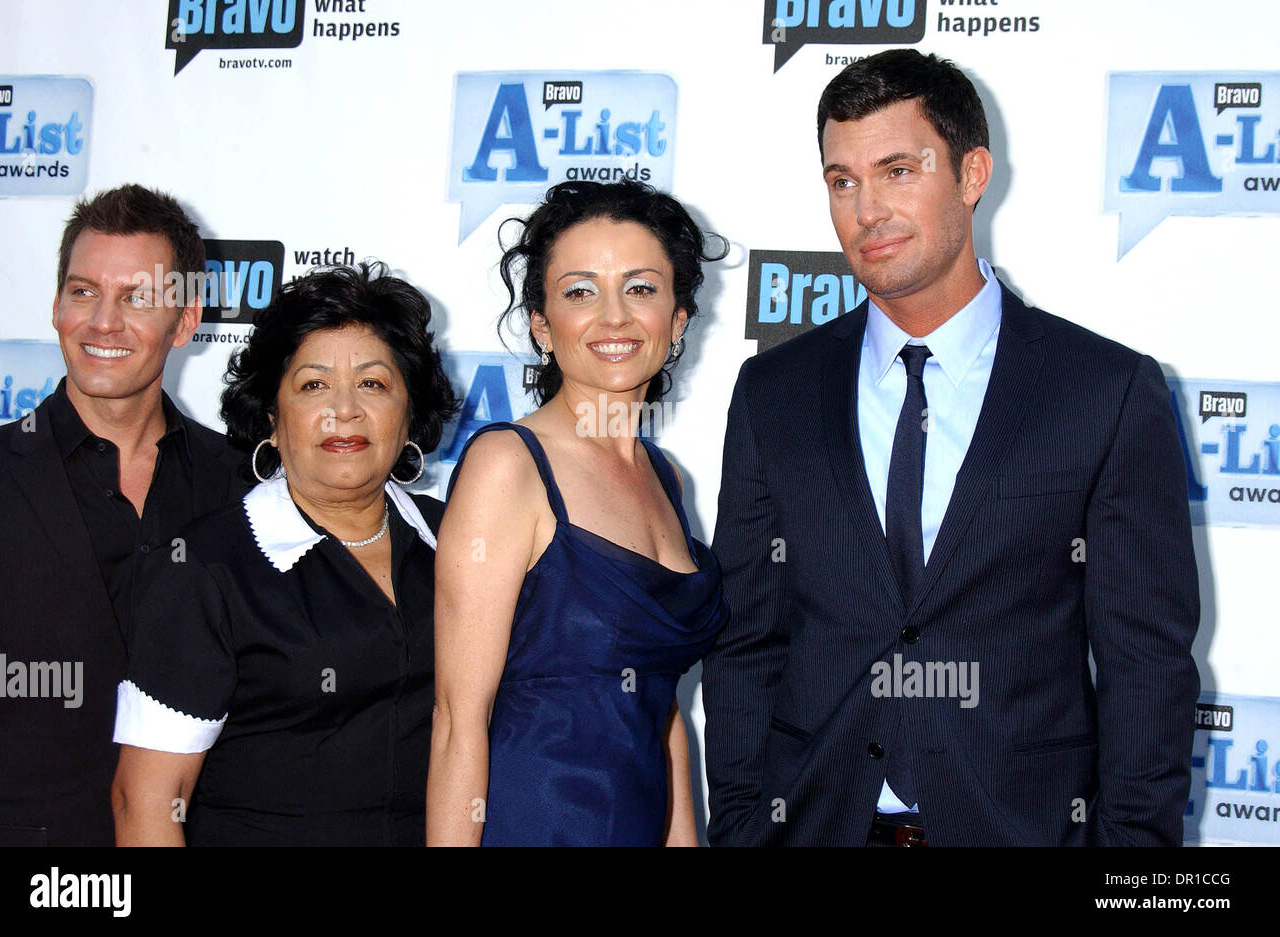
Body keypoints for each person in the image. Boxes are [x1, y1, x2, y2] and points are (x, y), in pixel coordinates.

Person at [703, 50, 1200, 846]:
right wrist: (738, 828)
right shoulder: (775, 392)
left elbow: (1147, 668)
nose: (867, 209)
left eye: (898, 170)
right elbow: (745, 645)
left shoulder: (1102, 391)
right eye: (842, 180)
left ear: (972, 173)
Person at [111, 262, 458, 845]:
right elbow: (144, 803)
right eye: (313, 385)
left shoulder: (456, 541)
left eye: (373, 384)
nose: (343, 410)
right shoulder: (206, 566)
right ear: (272, 418)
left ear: (410, 416)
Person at [427, 180, 729, 846]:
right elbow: (457, 720)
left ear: (678, 320)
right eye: (580, 291)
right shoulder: (508, 466)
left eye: (642, 288)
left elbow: (663, 709)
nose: (614, 318)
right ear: (541, 323)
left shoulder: (668, 478)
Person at [0, 184, 246, 846]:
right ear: (54, 306)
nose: (102, 321)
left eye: (136, 298)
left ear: (186, 321)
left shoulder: (244, 486)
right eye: (82, 291)